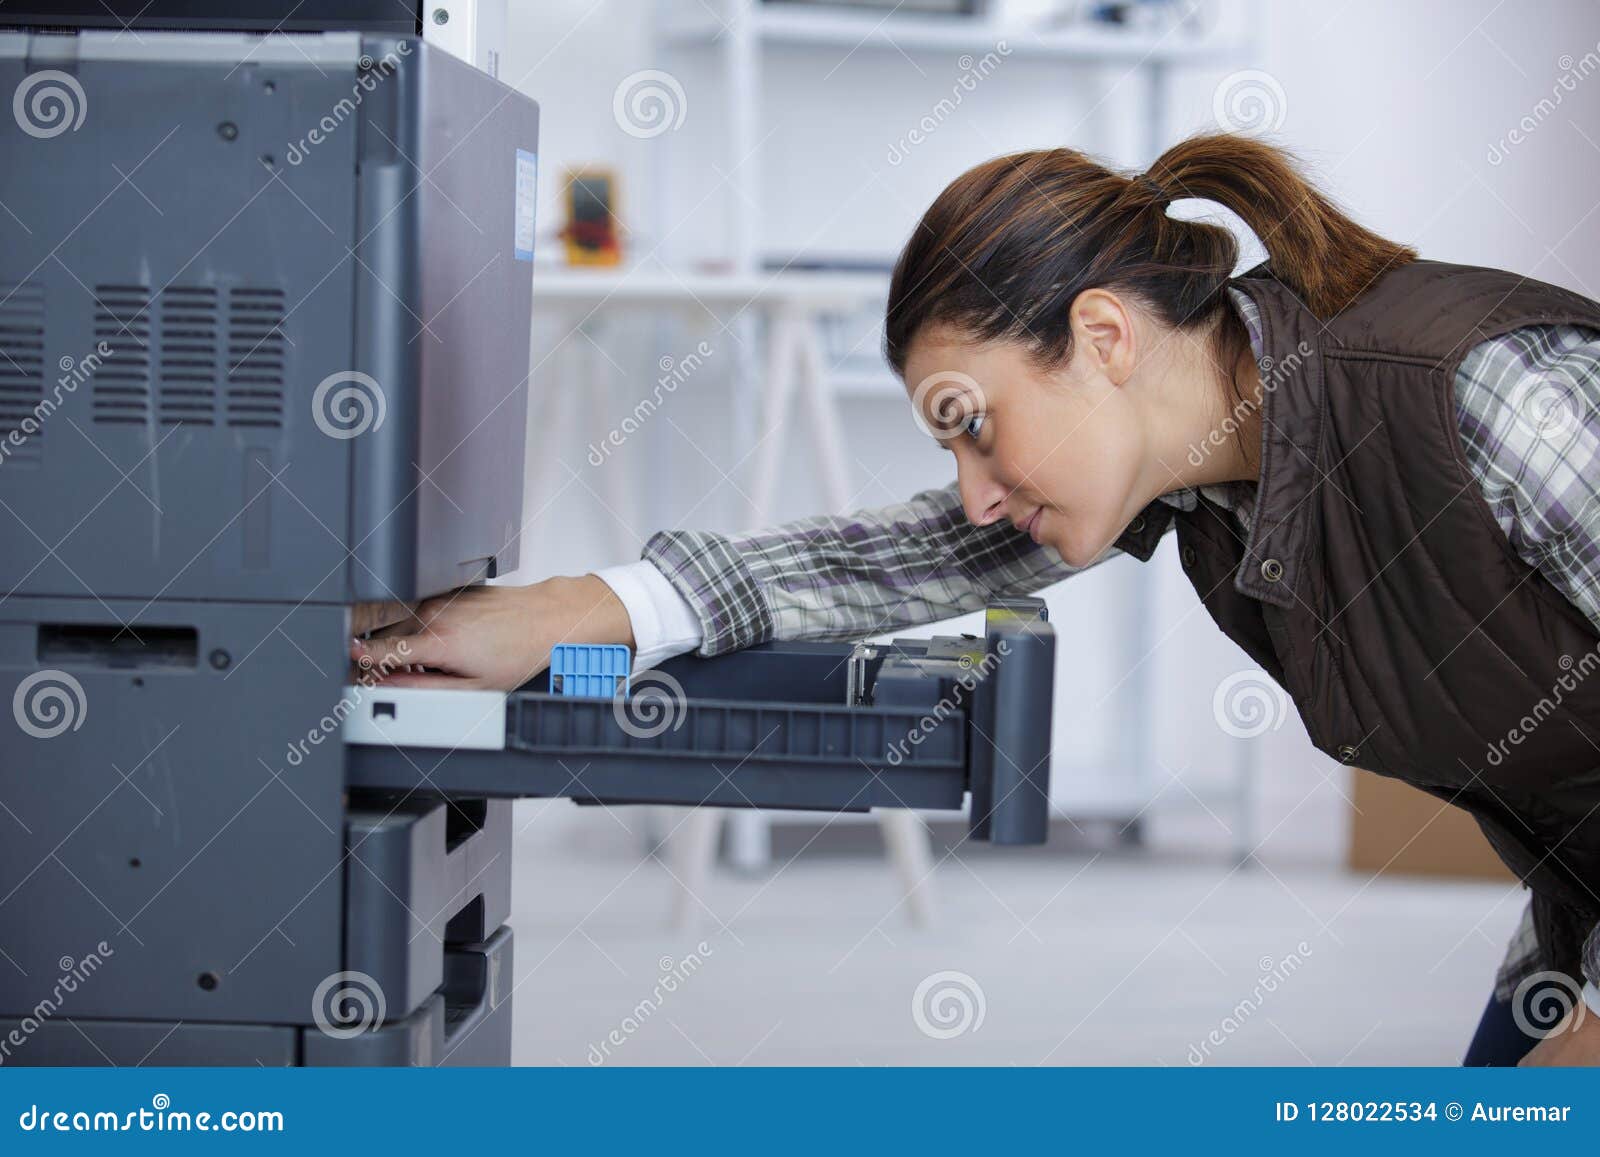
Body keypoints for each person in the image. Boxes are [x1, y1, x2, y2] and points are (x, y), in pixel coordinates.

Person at [353, 134, 1600, 1066]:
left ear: (1103, 338)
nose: (978, 492)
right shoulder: (1200, 476)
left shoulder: (1487, 395)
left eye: (974, 425)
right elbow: (904, 557)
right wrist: (572, 607)